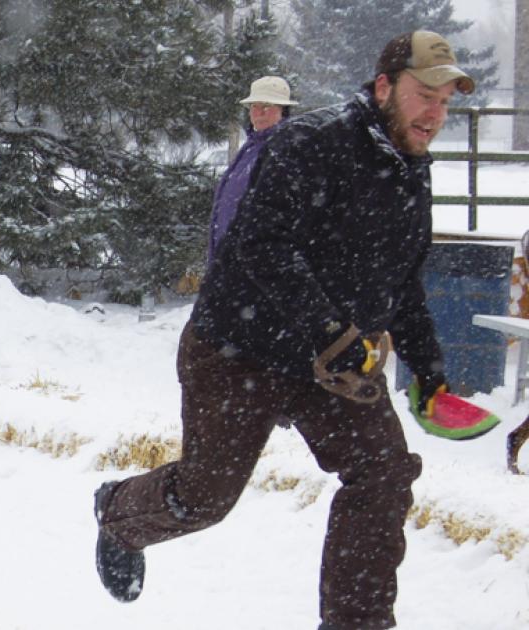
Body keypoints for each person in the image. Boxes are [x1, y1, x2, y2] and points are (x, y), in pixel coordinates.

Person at [93, 31, 473, 630]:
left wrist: (429, 371)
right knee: (204, 499)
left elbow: (402, 280)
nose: (436, 112)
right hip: (238, 349)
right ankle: (119, 514)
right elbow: (259, 246)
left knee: (383, 470)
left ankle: (357, 623)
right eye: (424, 94)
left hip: (331, 361)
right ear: (383, 88)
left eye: (446, 100)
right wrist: (332, 332)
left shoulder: (410, 169)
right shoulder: (310, 143)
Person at [206, 76, 297, 264]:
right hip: (228, 264)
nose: (259, 113)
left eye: (267, 107)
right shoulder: (250, 147)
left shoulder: (286, 149)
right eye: (254, 106)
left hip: (254, 267)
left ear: (283, 110)